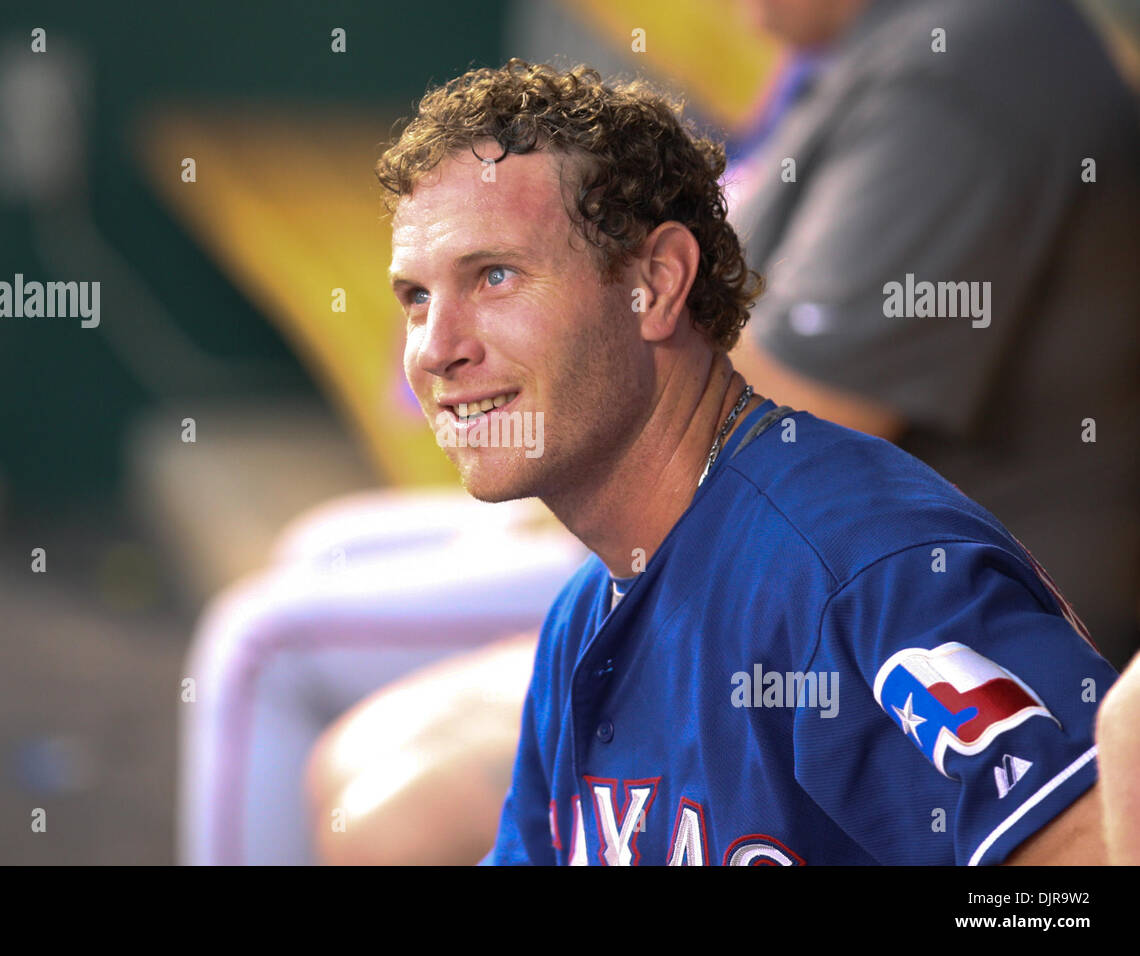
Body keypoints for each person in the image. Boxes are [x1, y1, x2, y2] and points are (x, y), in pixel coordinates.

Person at [368, 58, 1115, 865]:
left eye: (496, 276)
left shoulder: (865, 575)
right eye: (416, 297)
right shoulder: (587, 614)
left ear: (654, 286)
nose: (438, 349)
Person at [728, 0, 1140, 670]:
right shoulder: (902, 45)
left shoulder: (963, 66)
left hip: (970, 679)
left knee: (513, 742)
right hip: (863, 622)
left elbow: (795, 424)